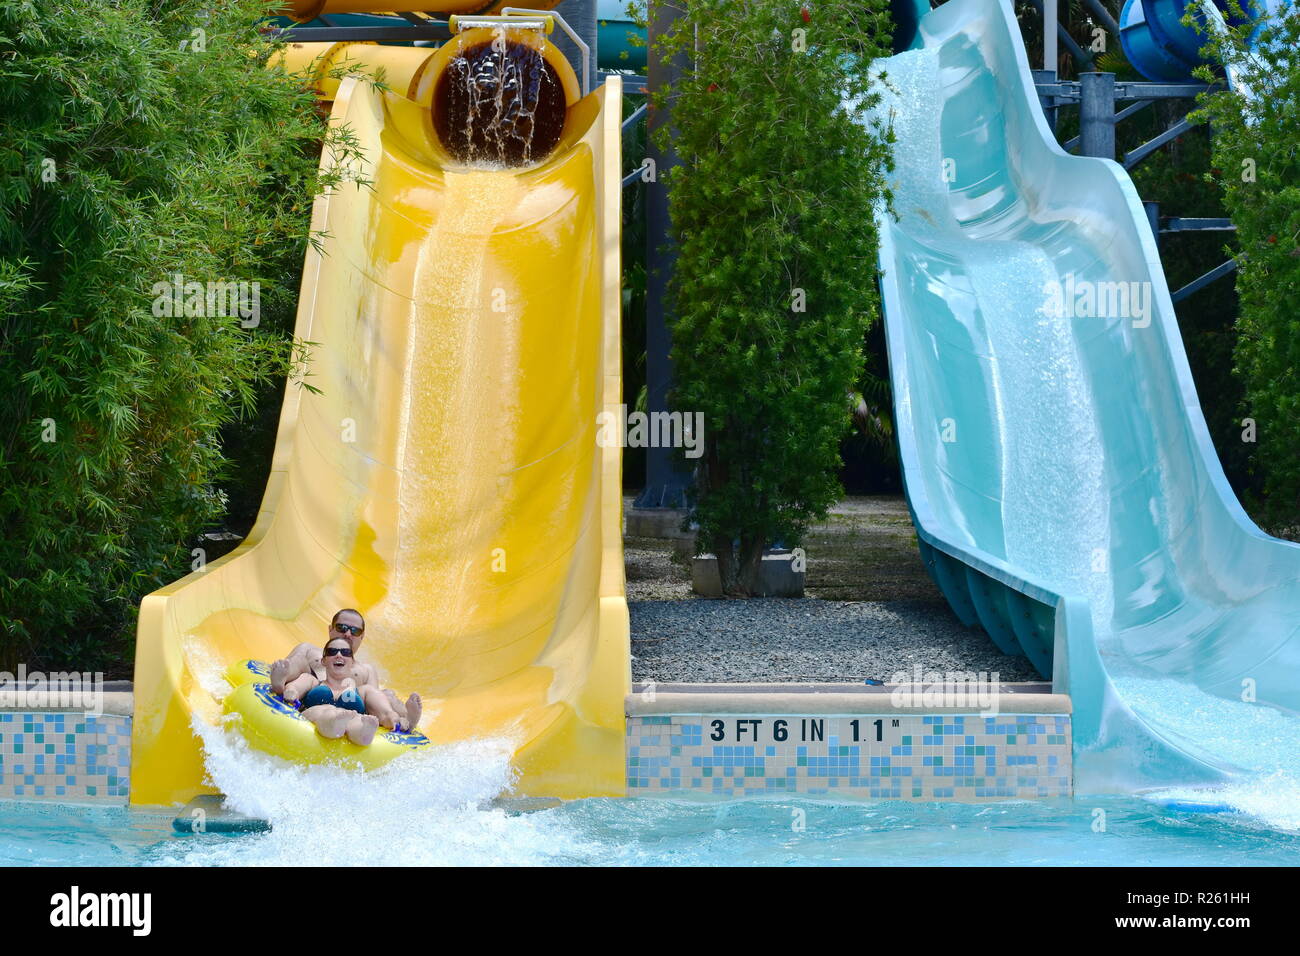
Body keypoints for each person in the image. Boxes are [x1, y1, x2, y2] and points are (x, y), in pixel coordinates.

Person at [269, 609, 422, 733]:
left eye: (354, 631)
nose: (348, 634)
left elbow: (373, 702)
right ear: (330, 629)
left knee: (386, 694)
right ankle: (280, 683)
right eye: (342, 628)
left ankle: (406, 720)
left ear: (361, 636)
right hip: (312, 698)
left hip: (351, 709)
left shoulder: (366, 669)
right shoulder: (310, 650)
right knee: (301, 663)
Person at [294, 637, 379, 745]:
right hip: (318, 715)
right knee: (326, 710)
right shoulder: (312, 681)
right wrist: (291, 693)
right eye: (332, 652)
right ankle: (333, 723)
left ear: (352, 662)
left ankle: (363, 732)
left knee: (357, 718)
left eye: (345, 652)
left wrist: (394, 718)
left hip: (350, 718)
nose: (339, 655)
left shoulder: (363, 691)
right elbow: (293, 688)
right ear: (323, 661)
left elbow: (384, 708)